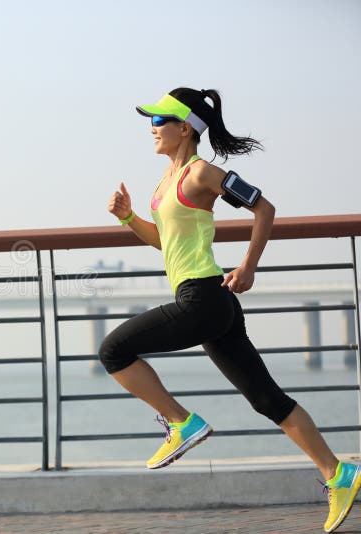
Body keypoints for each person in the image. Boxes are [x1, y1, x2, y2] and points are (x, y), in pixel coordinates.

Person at [103, 87, 359, 533]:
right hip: (210, 303)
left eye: (160, 121)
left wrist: (248, 266)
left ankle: (182, 423)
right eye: (151, 121)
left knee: (113, 351)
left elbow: (264, 207)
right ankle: (338, 473)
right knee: (266, 400)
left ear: (186, 128)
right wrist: (128, 217)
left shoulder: (202, 172)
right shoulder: (164, 182)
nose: (152, 129)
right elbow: (166, 242)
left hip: (203, 298)